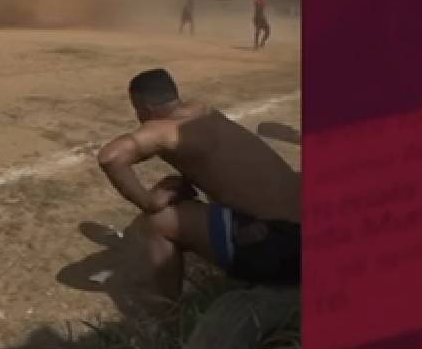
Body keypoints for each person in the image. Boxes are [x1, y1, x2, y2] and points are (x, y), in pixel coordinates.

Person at [97, 69, 300, 300]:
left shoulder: (162, 129)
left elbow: (110, 157)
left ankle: (168, 314)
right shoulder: (203, 110)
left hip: (283, 246)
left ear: (145, 108)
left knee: (158, 223)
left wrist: (149, 203)